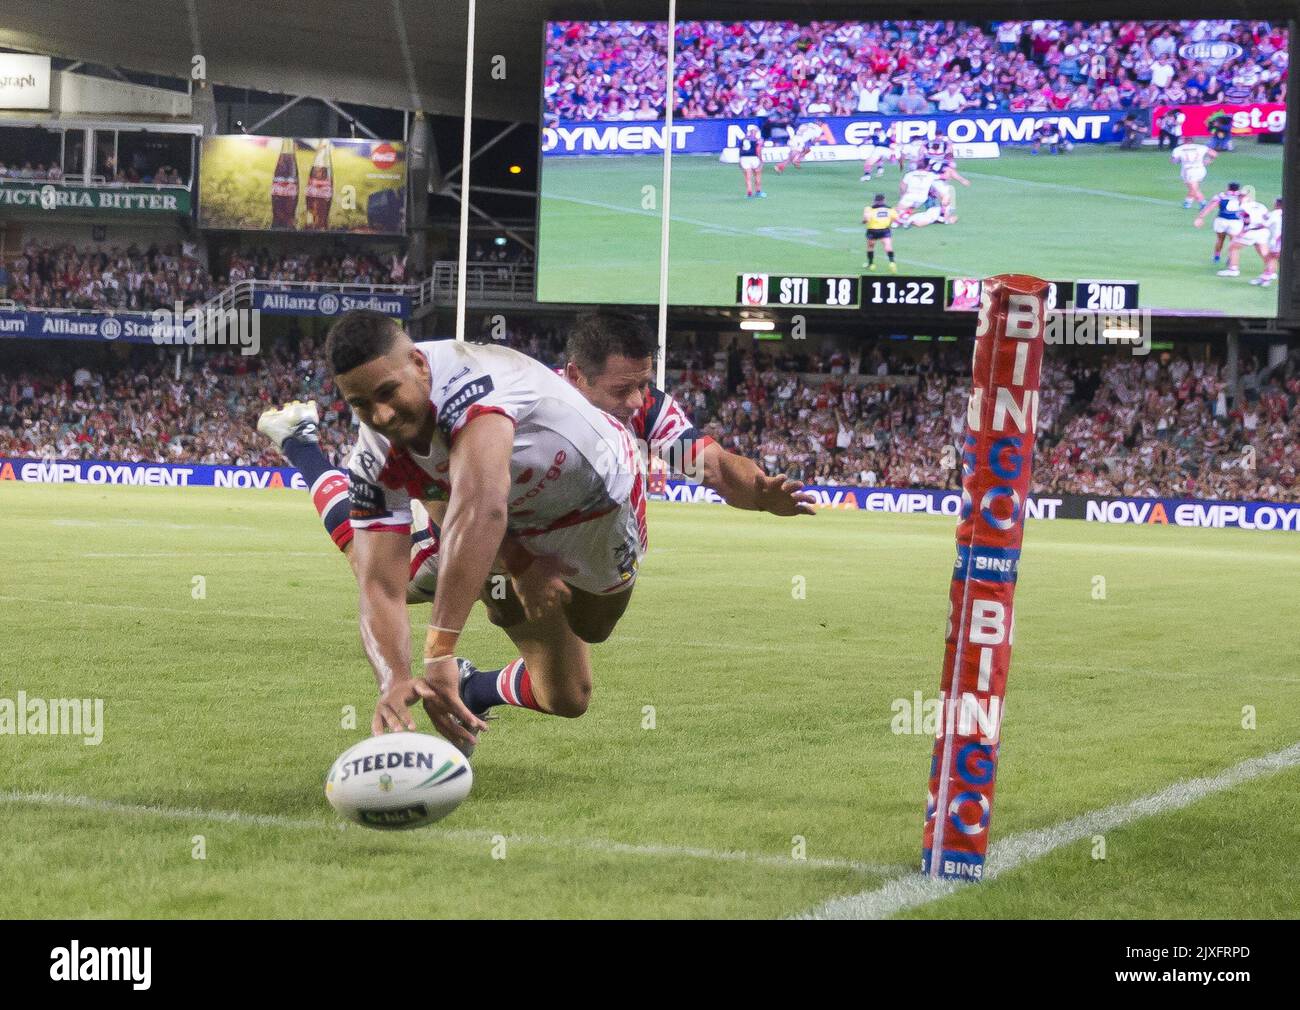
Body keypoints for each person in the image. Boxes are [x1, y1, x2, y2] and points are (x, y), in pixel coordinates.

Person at [257, 313, 814, 749]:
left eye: (642, 388)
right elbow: (472, 504)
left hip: (585, 519)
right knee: (377, 569)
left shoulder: (637, 413)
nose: (637, 403)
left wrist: (759, 494)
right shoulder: (479, 402)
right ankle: (302, 445)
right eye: (623, 390)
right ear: (574, 377)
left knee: (573, 687)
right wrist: (407, 668)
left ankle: (476, 686)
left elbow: (712, 466)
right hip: (486, 524)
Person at [322, 310, 646, 752]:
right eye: (360, 405)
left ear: (419, 365)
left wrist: (438, 653)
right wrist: (395, 680)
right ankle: (302, 448)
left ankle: (474, 677)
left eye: (387, 392)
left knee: (592, 634)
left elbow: (482, 504)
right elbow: (380, 585)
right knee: (568, 697)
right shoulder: (373, 453)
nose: (380, 414)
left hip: (593, 506)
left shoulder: (471, 386)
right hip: (495, 522)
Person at [1193, 181, 1244, 264]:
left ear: (1228, 187)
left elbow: (1211, 207)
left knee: (1220, 239)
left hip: (1221, 220)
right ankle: (1231, 257)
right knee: (1233, 241)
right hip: (1235, 222)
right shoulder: (1242, 197)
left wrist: (1200, 217)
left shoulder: (1221, 196)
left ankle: (1216, 256)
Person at [1172, 141, 1217, 209]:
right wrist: (1209, 160)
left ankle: (1203, 203)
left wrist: (1178, 161)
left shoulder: (1179, 149)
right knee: (1193, 187)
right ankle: (1188, 201)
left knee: (1193, 187)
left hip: (1189, 170)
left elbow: (1174, 160)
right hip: (1201, 169)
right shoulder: (1201, 147)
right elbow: (1214, 154)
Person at [862, 193, 898, 272]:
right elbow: (895, 218)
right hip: (885, 230)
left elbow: (866, 219)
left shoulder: (869, 209)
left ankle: (871, 264)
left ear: (874, 200)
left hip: (872, 230)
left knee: (870, 247)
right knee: (888, 246)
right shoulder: (890, 209)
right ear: (884, 200)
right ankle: (892, 262)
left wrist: (863, 221)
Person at [738, 125, 765, 199]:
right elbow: (758, 150)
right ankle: (758, 191)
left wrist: (740, 160)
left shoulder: (743, 139)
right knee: (757, 175)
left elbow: (740, 150)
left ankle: (749, 192)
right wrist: (761, 160)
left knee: (747, 177)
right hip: (754, 158)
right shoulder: (757, 140)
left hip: (744, 158)